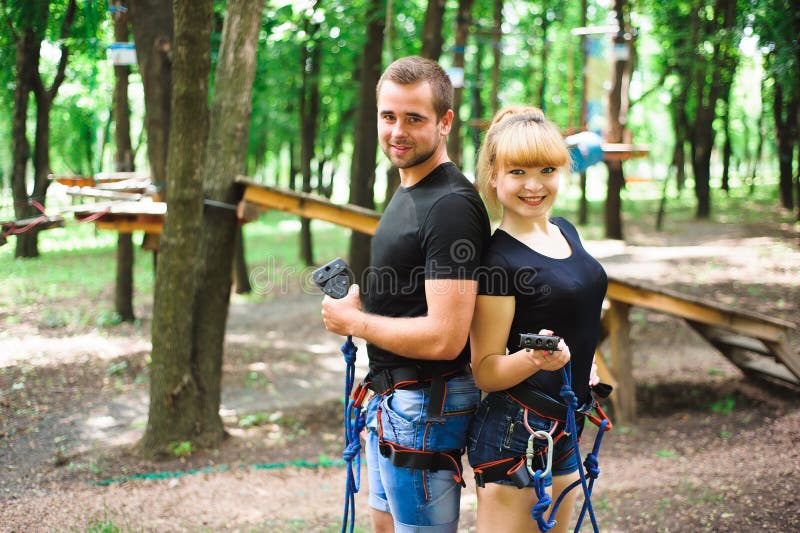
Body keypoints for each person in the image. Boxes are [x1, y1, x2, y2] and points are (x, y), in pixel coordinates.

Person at [321, 56, 491, 532]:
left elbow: (445, 338)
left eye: (414, 119)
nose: (398, 131)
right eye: (388, 116)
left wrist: (354, 324)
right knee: (384, 525)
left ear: (445, 123)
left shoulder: (450, 206)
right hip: (390, 395)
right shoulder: (411, 187)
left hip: (426, 405)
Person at [466, 106, 608, 533]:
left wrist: (588, 362)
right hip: (518, 431)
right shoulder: (497, 261)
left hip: (566, 421)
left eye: (547, 169)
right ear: (494, 176)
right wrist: (532, 360)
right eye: (518, 172)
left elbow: (576, 309)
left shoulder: (566, 230)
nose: (534, 185)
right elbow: (485, 371)